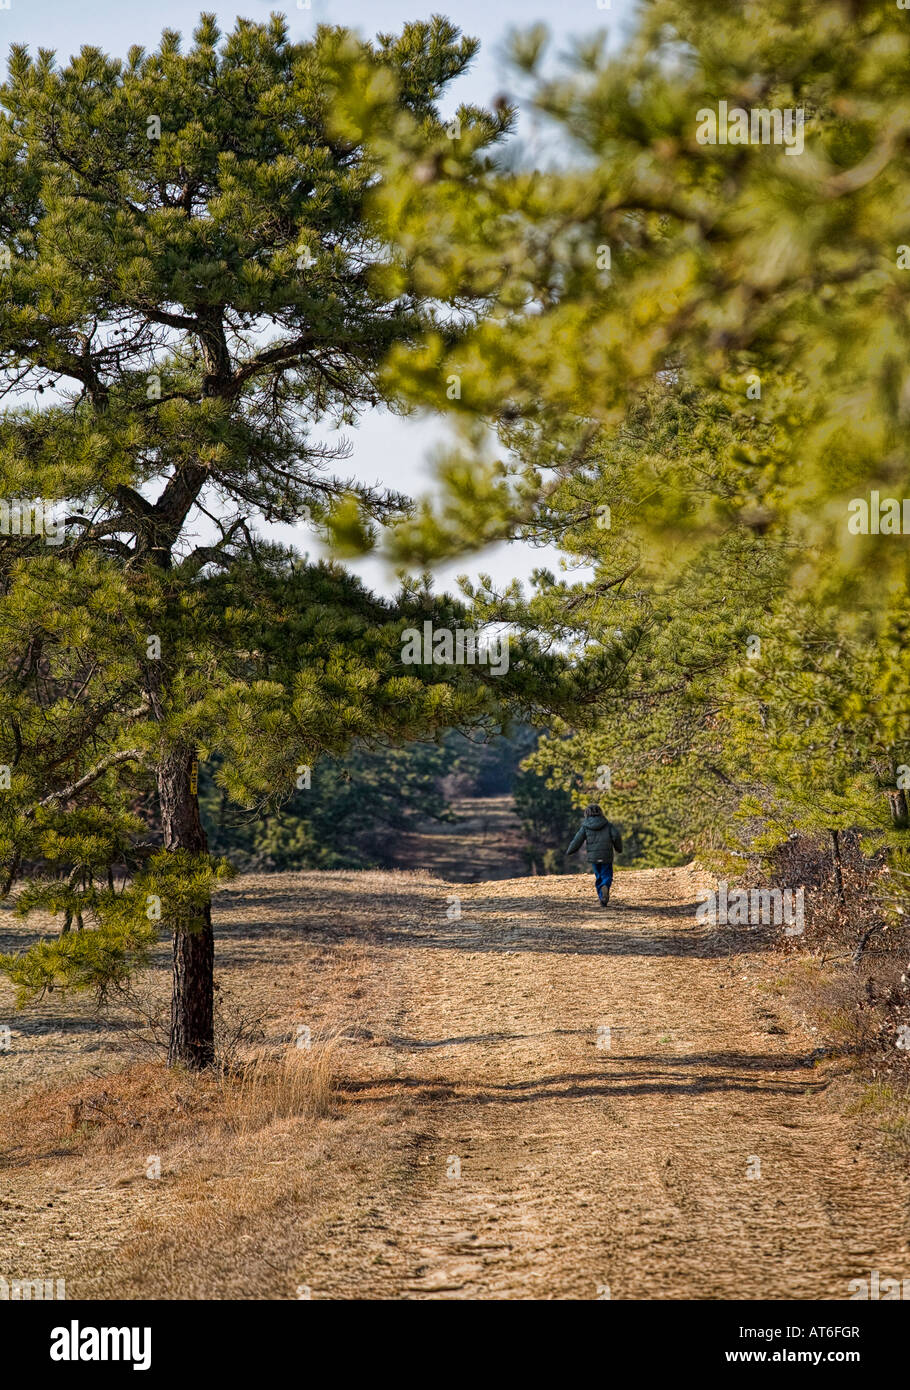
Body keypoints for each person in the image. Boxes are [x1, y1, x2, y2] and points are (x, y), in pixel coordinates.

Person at [565, 804, 623, 907]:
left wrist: (570, 851)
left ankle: (602, 898)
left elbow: (577, 840)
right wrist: (619, 849)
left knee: (599, 876)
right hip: (606, 856)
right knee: (607, 875)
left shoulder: (585, 827)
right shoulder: (608, 825)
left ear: (586, 814)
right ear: (600, 812)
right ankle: (605, 887)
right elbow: (616, 837)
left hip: (594, 857)